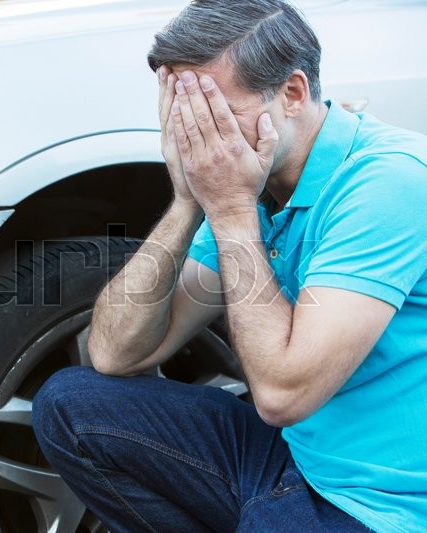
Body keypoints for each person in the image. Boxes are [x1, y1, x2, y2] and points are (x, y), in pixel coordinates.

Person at [32, 0, 427, 531]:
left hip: (387, 500)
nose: (199, 138)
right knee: (71, 404)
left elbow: (283, 396)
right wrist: (186, 203)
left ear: (292, 93)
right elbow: (116, 353)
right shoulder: (252, 180)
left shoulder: (390, 184)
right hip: (296, 457)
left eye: (214, 111)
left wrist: (231, 210)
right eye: (184, 113)